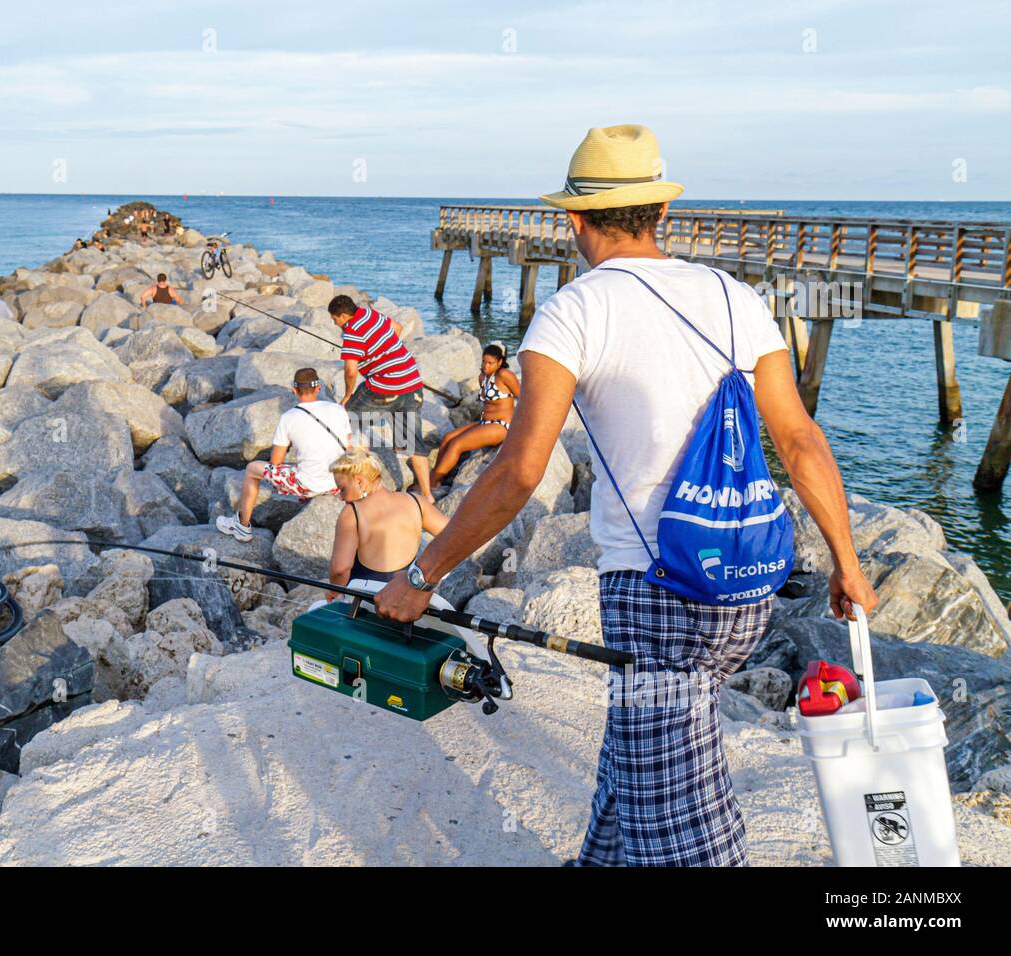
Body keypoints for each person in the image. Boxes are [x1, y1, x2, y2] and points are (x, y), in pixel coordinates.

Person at [373, 123, 878, 868]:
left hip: (658, 594)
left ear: (574, 219)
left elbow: (518, 472)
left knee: (686, 834)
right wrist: (848, 561)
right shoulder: (735, 297)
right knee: (642, 761)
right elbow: (801, 441)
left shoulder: (574, 311)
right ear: (660, 214)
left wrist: (422, 576)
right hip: (746, 587)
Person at [216, 368, 351, 543]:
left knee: (252, 469)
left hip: (308, 484)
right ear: (318, 388)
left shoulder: (288, 417)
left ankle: (242, 525)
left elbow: (276, 462)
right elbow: (348, 449)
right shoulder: (338, 409)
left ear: (294, 390)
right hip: (338, 483)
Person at [328, 294, 434, 502]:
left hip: (385, 386)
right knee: (412, 441)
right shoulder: (369, 314)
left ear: (342, 316)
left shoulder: (351, 334)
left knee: (349, 419)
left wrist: (347, 395)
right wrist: (384, 352)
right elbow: (397, 328)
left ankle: (358, 475)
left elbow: (351, 371)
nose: (335, 324)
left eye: (335, 320)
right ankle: (428, 495)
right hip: (412, 382)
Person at [327, 448, 448, 594]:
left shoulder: (352, 513)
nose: (341, 497)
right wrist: (429, 572)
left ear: (359, 481)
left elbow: (340, 569)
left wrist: (334, 592)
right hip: (406, 595)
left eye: (342, 489)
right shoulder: (416, 501)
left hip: (366, 599)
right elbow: (454, 536)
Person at [430, 342, 519, 485]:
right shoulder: (482, 377)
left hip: (501, 426)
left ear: (500, 362)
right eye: (484, 361)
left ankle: (430, 483)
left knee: (457, 444)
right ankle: (438, 479)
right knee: (448, 438)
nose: (486, 366)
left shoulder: (504, 375)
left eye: (490, 363)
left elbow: (523, 396)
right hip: (485, 422)